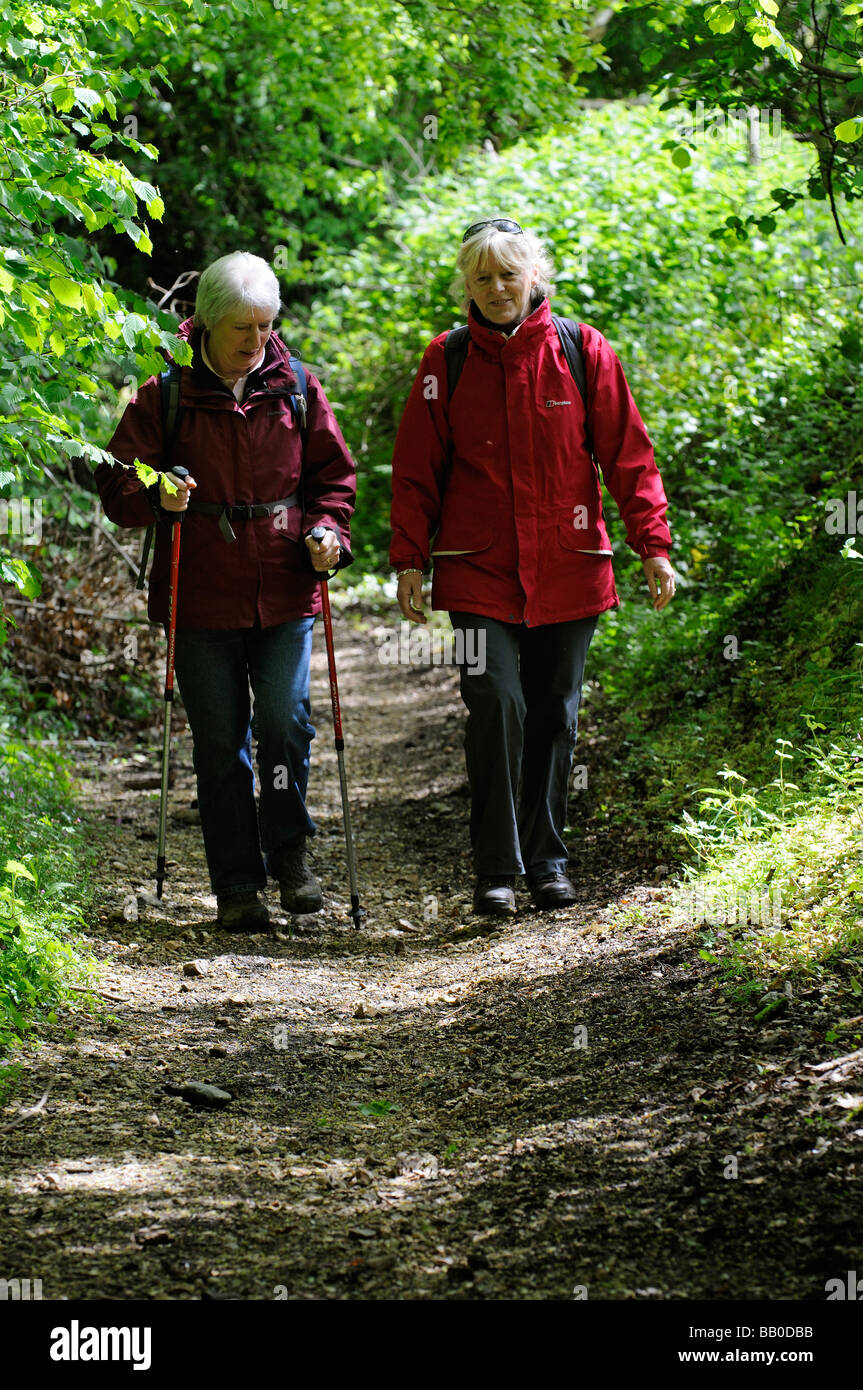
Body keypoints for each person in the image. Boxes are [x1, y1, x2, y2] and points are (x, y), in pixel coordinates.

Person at [390, 218, 675, 916]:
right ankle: (494, 867)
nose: (495, 289)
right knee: (494, 702)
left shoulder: (583, 351)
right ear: (466, 283)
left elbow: (626, 453)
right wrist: (408, 561)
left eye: (506, 275)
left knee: (553, 712)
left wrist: (652, 545)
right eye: (481, 278)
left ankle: (546, 861)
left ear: (532, 276)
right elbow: (416, 469)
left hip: (569, 565)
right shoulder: (444, 360)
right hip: (476, 568)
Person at [96, 251, 355, 930]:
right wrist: (161, 494)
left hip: (284, 588)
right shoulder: (164, 391)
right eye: (242, 327)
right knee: (219, 743)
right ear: (205, 323)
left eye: (266, 326)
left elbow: (333, 479)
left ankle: (289, 850)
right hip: (200, 594)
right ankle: (237, 883)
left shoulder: (297, 385)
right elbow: (117, 487)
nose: (255, 341)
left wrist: (329, 533)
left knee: (284, 723)